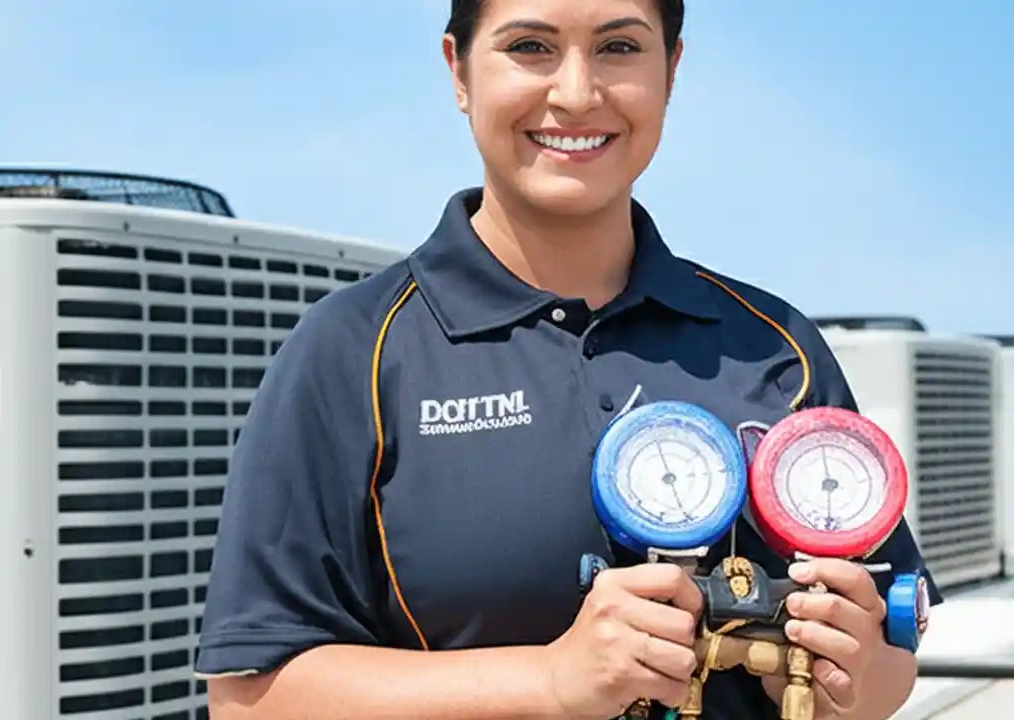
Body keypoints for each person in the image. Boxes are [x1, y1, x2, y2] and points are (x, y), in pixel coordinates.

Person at [194, 1, 942, 718]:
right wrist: (551, 680)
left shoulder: (776, 347)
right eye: (530, 47)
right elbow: (255, 696)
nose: (577, 93)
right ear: (459, 71)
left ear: (671, 71)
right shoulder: (352, 351)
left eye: (619, 47)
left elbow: (889, 660)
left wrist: (850, 673)